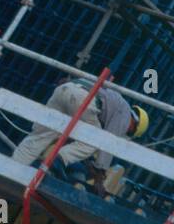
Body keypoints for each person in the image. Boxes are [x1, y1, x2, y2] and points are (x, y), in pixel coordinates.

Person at [12, 77, 149, 197]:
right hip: (83, 98)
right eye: (129, 132)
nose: (125, 132)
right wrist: (99, 177)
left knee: (40, 136)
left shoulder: (115, 100)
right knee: (93, 140)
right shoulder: (125, 116)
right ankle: (58, 159)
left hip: (64, 89)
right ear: (134, 126)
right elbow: (107, 142)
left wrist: (89, 164)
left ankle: (12, 168)